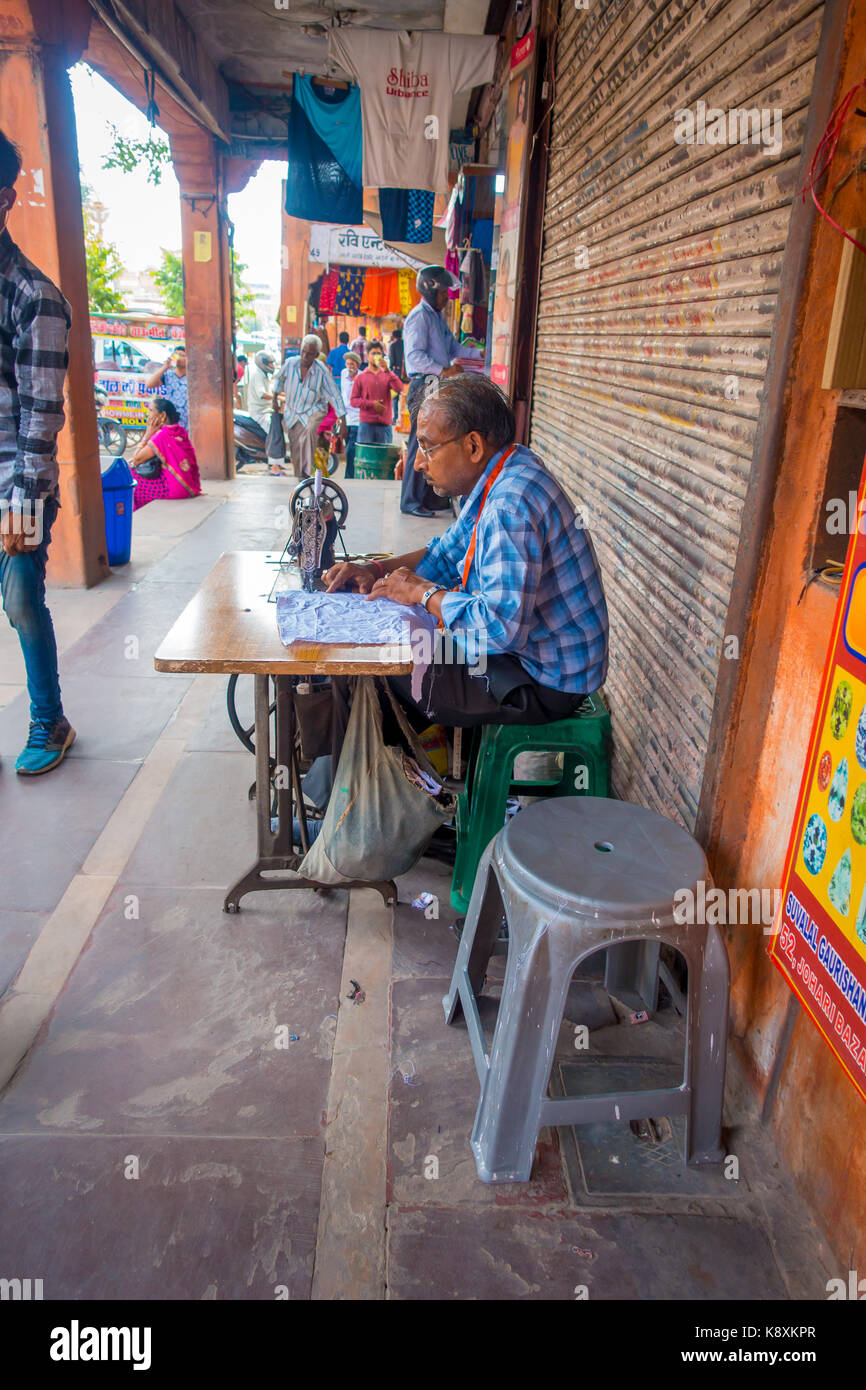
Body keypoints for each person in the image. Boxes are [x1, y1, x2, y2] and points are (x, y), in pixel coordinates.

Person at [324, 375, 608, 728]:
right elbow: (444, 554)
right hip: (531, 656)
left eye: (428, 448)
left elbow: (499, 629)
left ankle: (385, 775)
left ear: (473, 446)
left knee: (384, 669)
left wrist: (422, 593)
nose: (418, 463)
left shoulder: (508, 507)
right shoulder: (502, 469)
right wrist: (375, 570)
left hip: (545, 681)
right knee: (407, 649)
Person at [0, 129, 76, 775]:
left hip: (16, 487)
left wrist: (20, 511)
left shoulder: (35, 297)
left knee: (22, 601)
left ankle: (49, 723)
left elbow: (41, 415)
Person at [401, 265, 482, 516]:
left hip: (434, 384)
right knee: (421, 442)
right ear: (430, 289)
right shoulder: (419, 317)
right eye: (444, 292)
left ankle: (430, 499)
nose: (448, 297)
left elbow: (453, 347)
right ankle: (411, 501)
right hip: (424, 384)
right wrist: (443, 370)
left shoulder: (436, 318)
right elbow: (414, 357)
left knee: (434, 441)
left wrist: (480, 354)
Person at [274, 332, 347, 478]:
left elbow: (334, 394)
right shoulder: (290, 364)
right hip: (292, 413)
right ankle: (300, 479)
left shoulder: (321, 371)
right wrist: (274, 399)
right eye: (303, 352)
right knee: (295, 447)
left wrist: (343, 420)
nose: (305, 356)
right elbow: (279, 380)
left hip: (314, 411)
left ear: (316, 355)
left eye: (310, 354)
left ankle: (306, 475)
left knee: (308, 433)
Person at [130, 398, 201, 510]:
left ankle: (135, 510)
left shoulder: (162, 436)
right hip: (190, 486)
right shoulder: (179, 430)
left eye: (150, 410)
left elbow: (136, 459)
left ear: (162, 415)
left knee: (130, 475)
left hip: (174, 489)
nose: (148, 415)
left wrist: (147, 434)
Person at [350, 340, 404, 444]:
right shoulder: (360, 377)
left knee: (384, 458)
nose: (376, 356)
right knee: (366, 457)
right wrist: (371, 404)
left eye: (379, 353)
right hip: (366, 425)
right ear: (367, 355)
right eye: (373, 353)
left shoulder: (387, 374)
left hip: (384, 425)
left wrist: (387, 370)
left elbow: (399, 388)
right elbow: (353, 400)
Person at [146, 345, 188, 429]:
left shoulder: (192, 376)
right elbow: (149, 385)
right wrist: (165, 367)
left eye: (182, 355)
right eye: (176, 355)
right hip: (173, 417)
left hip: (188, 418)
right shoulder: (168, 374)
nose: (179, 357)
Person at [340, 351, 361, 478]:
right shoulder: (343, 374)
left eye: (352, 364)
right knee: (348, 446)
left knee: (351, 449)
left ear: (358, 365)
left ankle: (349, 475)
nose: (350, 367)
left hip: (359, 417)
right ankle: (351, 474)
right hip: (346, 417)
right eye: (348, 364)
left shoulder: (363, 376)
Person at [388, 328, 406, 424]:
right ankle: (405, 419)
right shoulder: (406, 344)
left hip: (396, 372)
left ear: (394, 336)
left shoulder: (393, 345)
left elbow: (391, 359)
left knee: (394, 396)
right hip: (406, 374)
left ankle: (395, 418)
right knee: (405, 396)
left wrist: (391, 368)